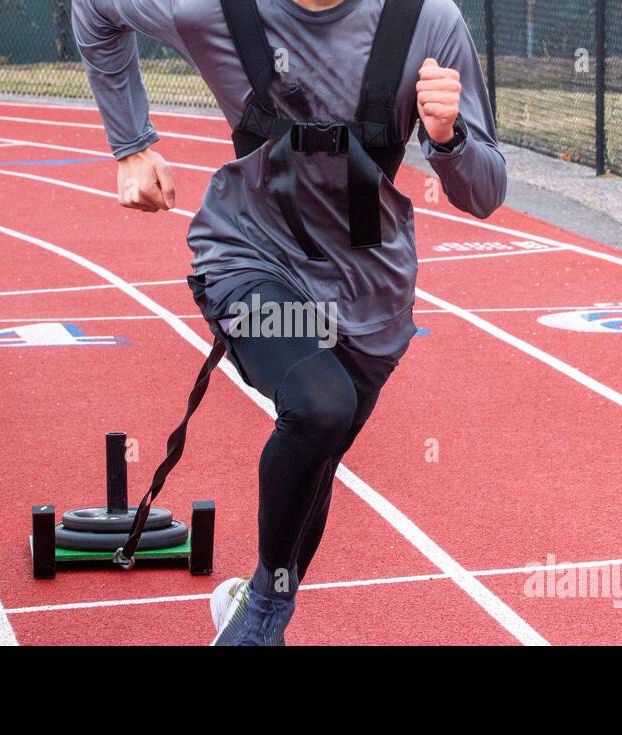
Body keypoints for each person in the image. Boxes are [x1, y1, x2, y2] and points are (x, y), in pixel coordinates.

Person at [72, 0, 507, 645]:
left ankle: (253, 599)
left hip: (367, 288)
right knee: (319, 405)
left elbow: (486, 192)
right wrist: (132, 145)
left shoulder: (428, 23)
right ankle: (265, 621)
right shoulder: (210, 9)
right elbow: (92, 9)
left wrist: (448, 139)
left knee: (318, 454)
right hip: (250, 255)